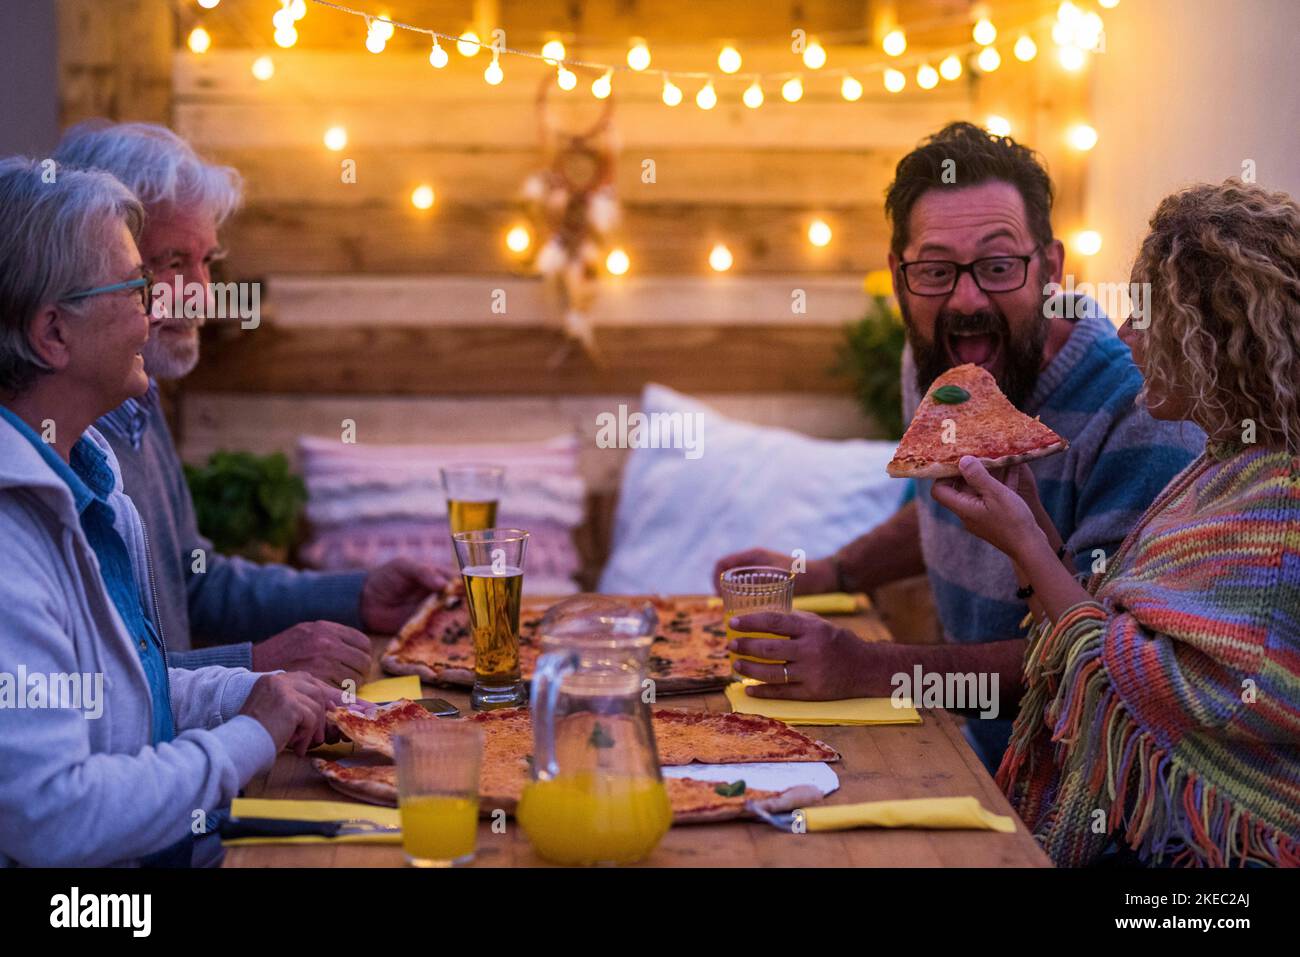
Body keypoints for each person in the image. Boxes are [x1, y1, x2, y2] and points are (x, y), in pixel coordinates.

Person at [716, 122, 1205, 767]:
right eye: (937, 270)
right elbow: (943, 503)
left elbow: (1095, 659)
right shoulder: (933, 370)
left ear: (1051, 268)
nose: (966, 299)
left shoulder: (1144, 411)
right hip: (978, 752)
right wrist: (831, 573)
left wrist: (868, 668)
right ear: (898, 275)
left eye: (999, 267)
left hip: (1088, 793)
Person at [929, 180, 1300, 866]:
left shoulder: (1275, 504)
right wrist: (1032, 535)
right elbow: (1113, 626)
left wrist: (1024, 546)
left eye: (1150, 316)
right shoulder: (1228, 460)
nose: (1128, 335)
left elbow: (1151, 693)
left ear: (1220, 341)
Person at [0, 157, 339, 866]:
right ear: (53, 334)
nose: (159, 307)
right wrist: (248, 734)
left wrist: (247, 690)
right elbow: (57, 816)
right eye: (136, 286)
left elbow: (123, 700)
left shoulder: (90, 482)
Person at [52, 122, 451, 686]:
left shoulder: (136, 397)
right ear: (93, 265)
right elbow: (86, 693)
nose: (204, 293)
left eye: (207, 260)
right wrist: (254, 665)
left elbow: (193, 583)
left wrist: (358, 594)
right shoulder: (56, 429)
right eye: (169, 263)